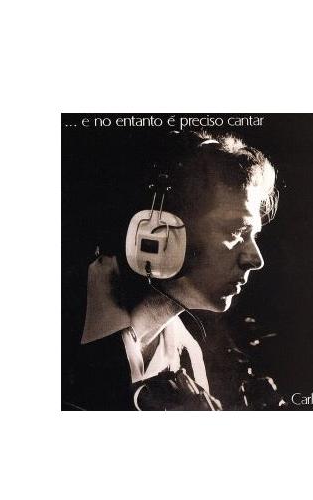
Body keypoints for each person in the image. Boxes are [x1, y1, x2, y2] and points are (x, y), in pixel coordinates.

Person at [62, 131, 278, 410]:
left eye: (254, 236)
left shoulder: (189, 358)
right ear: (157, 230)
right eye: (236, 231)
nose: (256, 259)